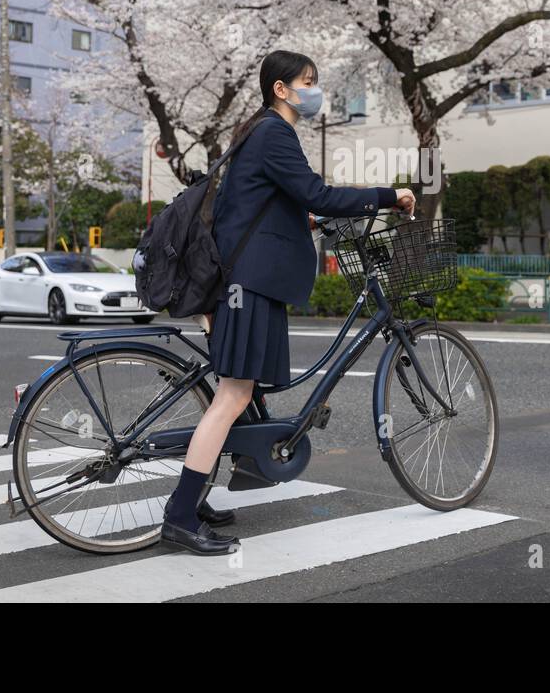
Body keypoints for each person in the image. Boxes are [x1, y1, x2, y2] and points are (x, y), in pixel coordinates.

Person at [160, 49, 416, 556]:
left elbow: (268, 207)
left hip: (242, 280)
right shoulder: (274, 133)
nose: (314, 90)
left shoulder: (255, 132)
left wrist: (312, 224)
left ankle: (195, 495)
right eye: (308, 81)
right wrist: (388, 195)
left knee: (235, 393)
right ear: (281, 88)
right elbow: (315, 193)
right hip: (248, 284)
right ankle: (180, 515)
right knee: (233, 395)